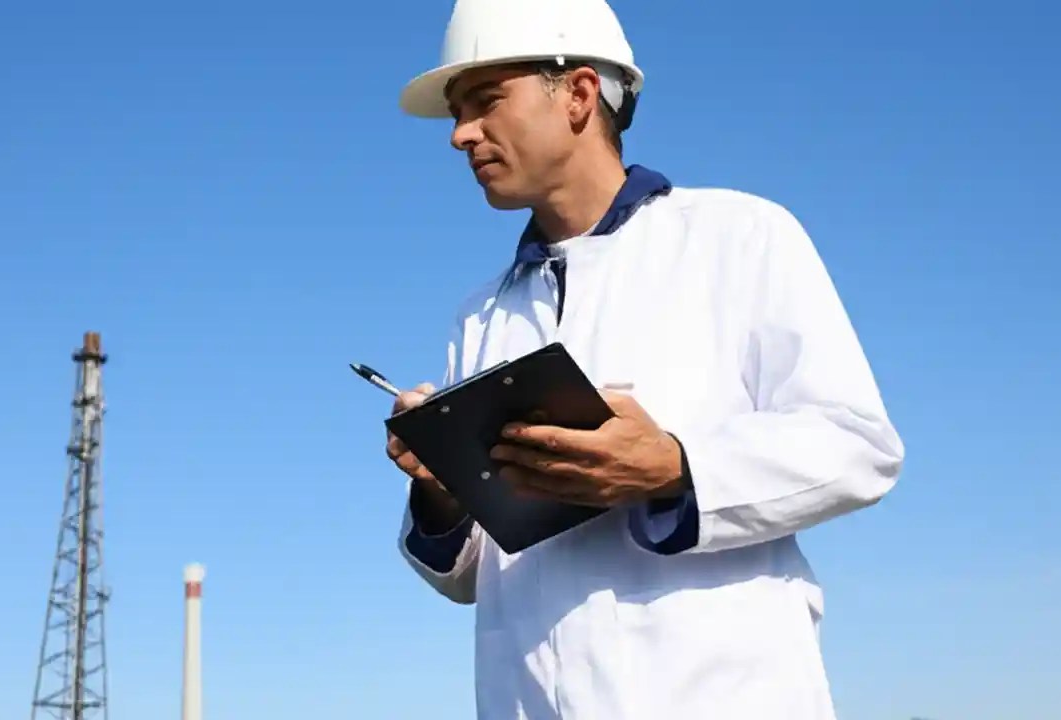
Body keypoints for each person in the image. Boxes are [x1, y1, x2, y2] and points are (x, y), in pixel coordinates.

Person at [385, 0, 905, 717]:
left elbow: (858, 446)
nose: (460, 135)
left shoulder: (739, 236)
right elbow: (469, 572)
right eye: (456, 112)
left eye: (484, 102)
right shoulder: (481, 314)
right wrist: (440, 490)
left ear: (578, 94)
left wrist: (672, 467)